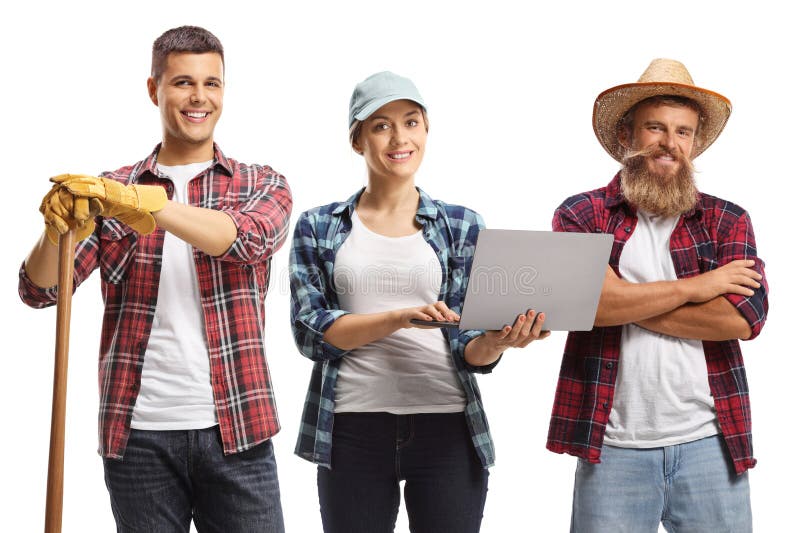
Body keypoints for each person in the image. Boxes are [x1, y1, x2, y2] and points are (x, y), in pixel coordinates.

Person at [19, 26, 291, 532]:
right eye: (184, 82)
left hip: (237, 431)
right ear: (154, 89)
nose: (199, 97)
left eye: (212, 84)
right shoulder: (109, 190)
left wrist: (147, 204)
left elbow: (245, 239)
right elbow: (40, 290)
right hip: (138, 438)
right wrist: (58, 230)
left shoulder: (261, 183)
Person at [289, 71, 549, 533]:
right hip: (352, 427)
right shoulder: (319, 225)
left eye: (411, 123)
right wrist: (397, 318)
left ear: (426, 131)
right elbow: (311, 332)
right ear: (357, 139)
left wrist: (498, 341)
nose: (399, 137)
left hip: (446, 425)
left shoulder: (462, 224)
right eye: (381, 125)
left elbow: (471, 347)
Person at [549, 58, 768, 532]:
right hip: (611, 448)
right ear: (627, 136)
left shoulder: (727, 220)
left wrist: (618, 302)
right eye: (656, 128)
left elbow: (742, 319)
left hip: (710, 444)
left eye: (684, 132)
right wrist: (698, 288)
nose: (671, 143)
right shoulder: (583, 214)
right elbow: (589, 305)